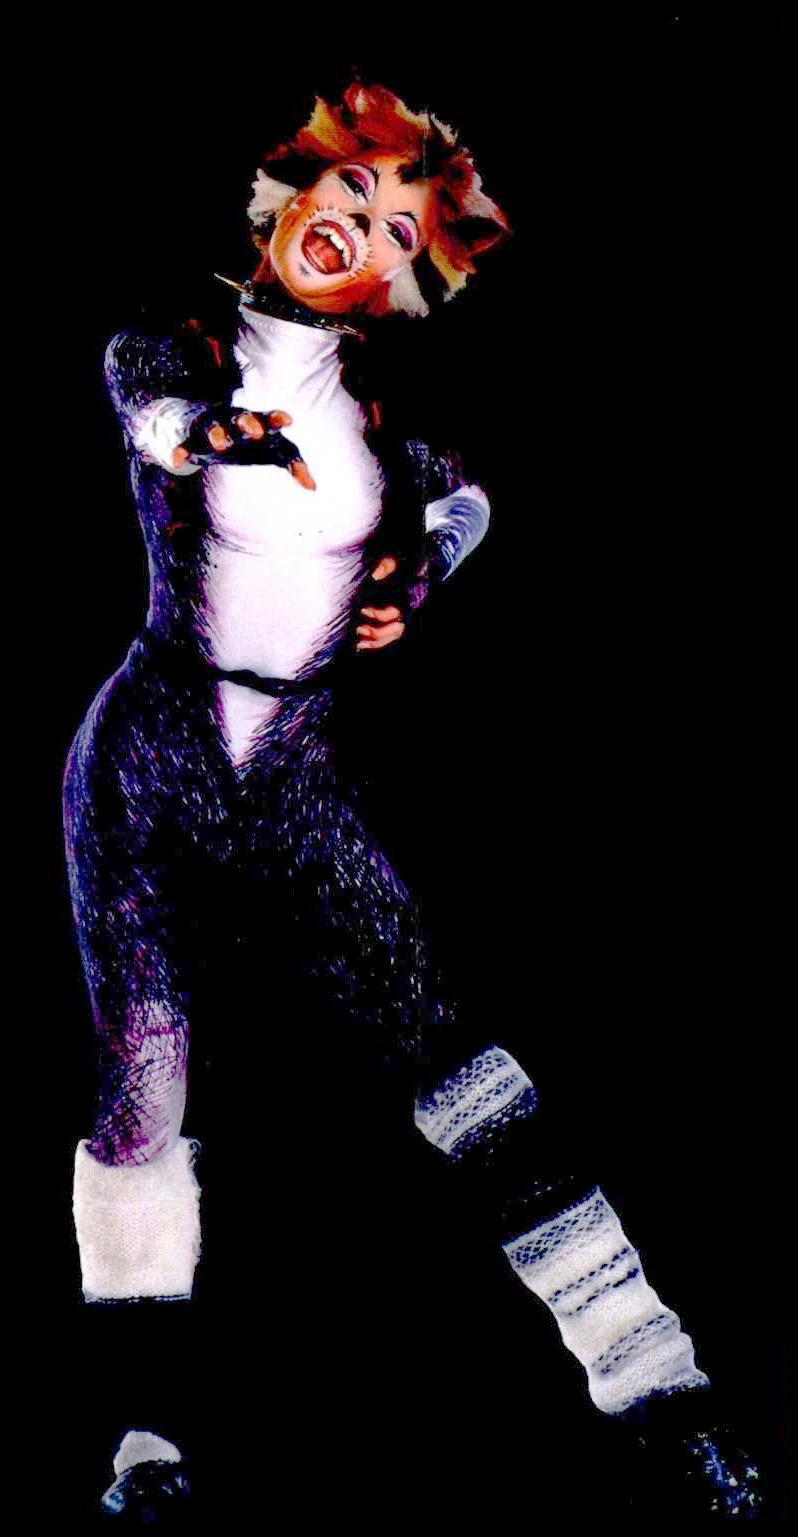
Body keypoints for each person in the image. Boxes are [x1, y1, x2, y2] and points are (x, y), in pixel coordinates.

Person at [64, 81, 763, 1521]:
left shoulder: (382, 427)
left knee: (464, 1075)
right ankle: (142, 1445)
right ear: (296, 188)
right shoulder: (172, 345)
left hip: (299, 777)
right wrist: (209, 440)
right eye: (353, 187)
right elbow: (154, 414)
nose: (360, 225)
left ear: (403, 283)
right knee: (145, 1092)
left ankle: (663, 1392)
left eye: (396, 228)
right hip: (146, 765)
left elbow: (465, 498)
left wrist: (426, 566)